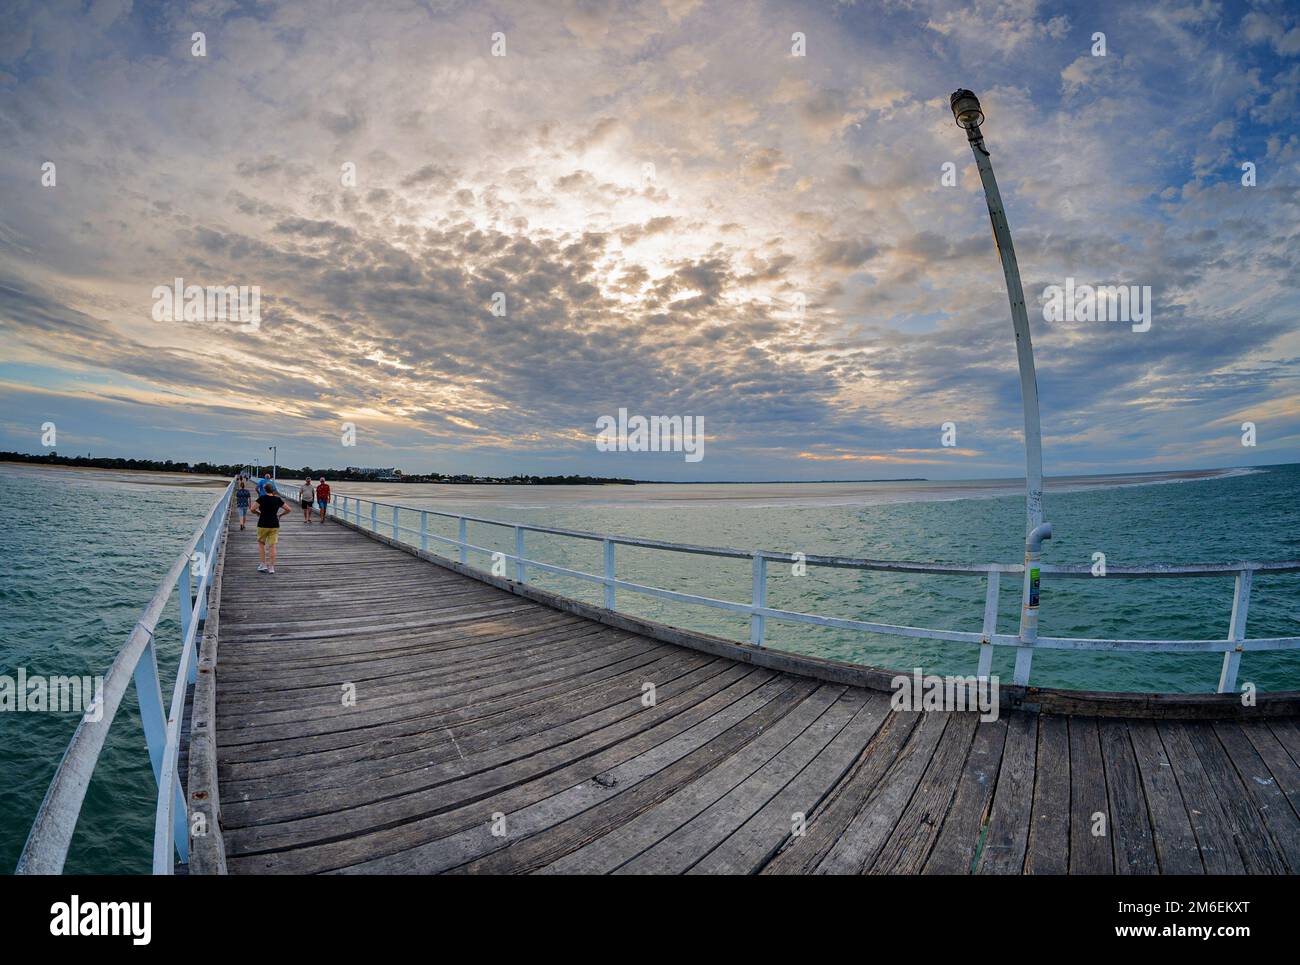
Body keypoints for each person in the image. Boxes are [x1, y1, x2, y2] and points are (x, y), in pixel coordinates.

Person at [251, 481, 290, 573]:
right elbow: (289, 509)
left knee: (261, 544)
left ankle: (263, 565)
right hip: (274, 524)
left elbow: (252, 509)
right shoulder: (277, 499)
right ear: (273, 490)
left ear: (264, 490)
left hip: (263, 524)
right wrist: (280, 515)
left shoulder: (262, 498)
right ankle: (271, 567)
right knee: (272, 546)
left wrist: (258, 513)